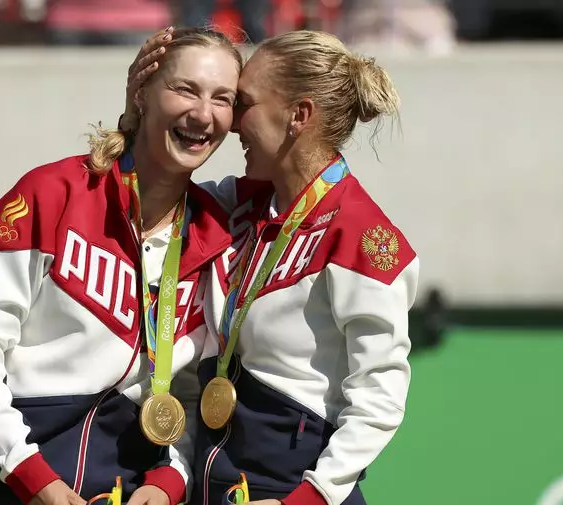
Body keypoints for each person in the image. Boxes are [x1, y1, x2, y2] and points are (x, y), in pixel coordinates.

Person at [0, 27, 242, 505]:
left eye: (222, 98)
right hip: (4, 489)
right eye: (185, 88)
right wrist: (32, 478)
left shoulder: (216, 236)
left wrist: (168, 483)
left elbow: (190, 394)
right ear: (141, 93)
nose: (203, 113)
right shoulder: (50, 194)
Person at [123, 29, 419, 505]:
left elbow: (380, 397)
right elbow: (138, 204)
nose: (231, 124)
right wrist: (141, 112)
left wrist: (308, 499)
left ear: (298, 116)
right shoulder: (236, 205)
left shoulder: (363, 236)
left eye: (243, 103)